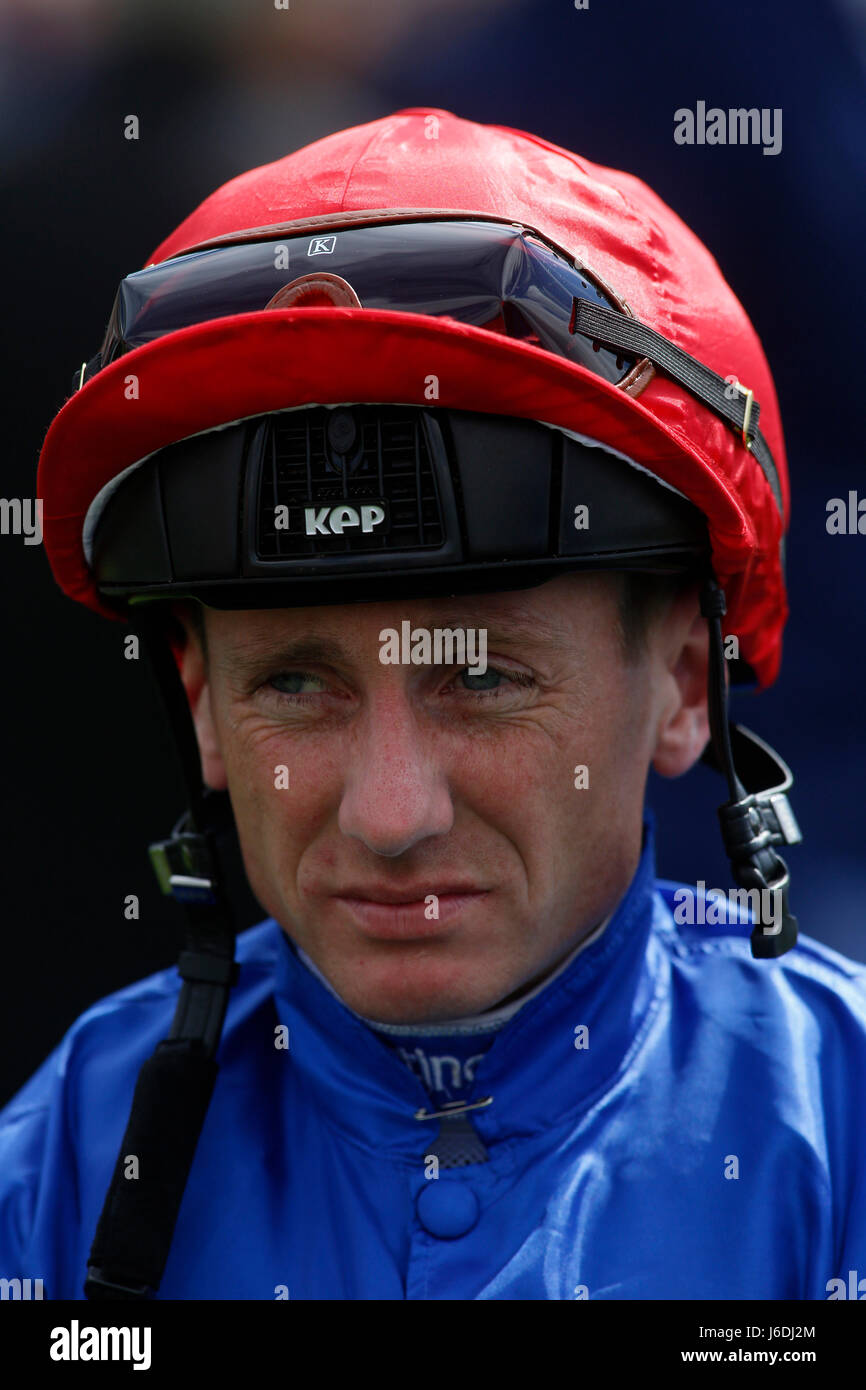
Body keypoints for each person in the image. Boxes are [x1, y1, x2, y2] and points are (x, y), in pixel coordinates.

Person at [2, 107, 864, 1302]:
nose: (387, 814)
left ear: (678, 682)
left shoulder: (842, 1134)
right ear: (200, 704)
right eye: (294, 685)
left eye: (481, 677)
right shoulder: (56, 1160)